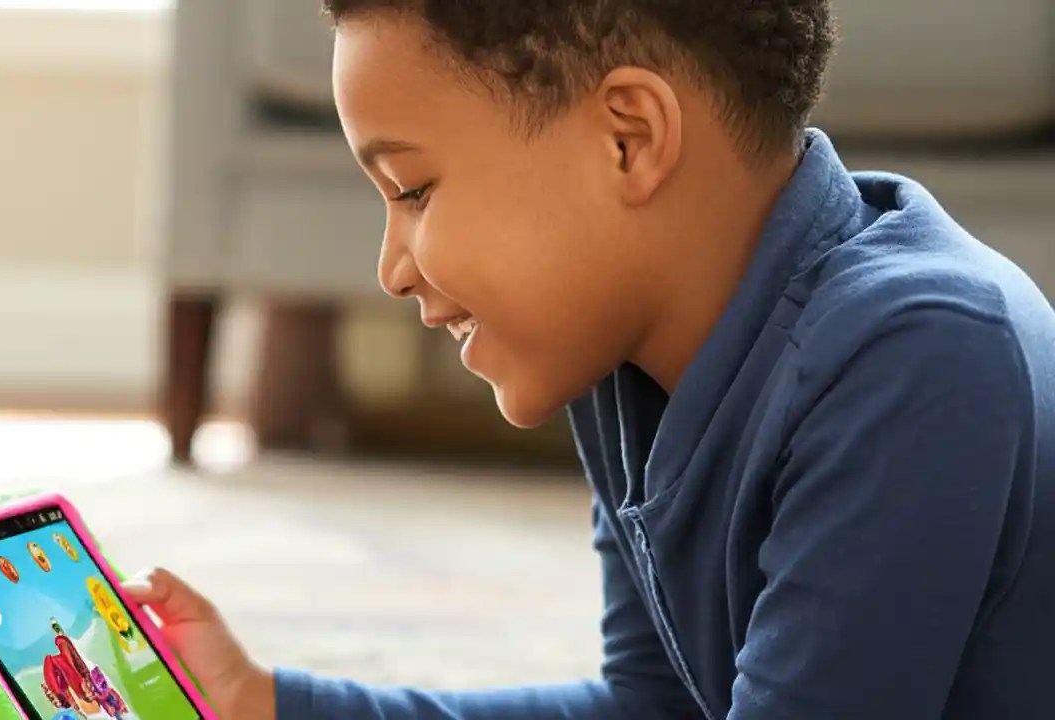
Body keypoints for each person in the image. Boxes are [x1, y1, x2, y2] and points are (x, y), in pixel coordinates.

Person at [123, 1, 1055, 718]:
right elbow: (653, 708)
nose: (392, 269)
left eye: (414, 189)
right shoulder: (628, 353)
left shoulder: (918, 358)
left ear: (628, 140)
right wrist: (268, 705)